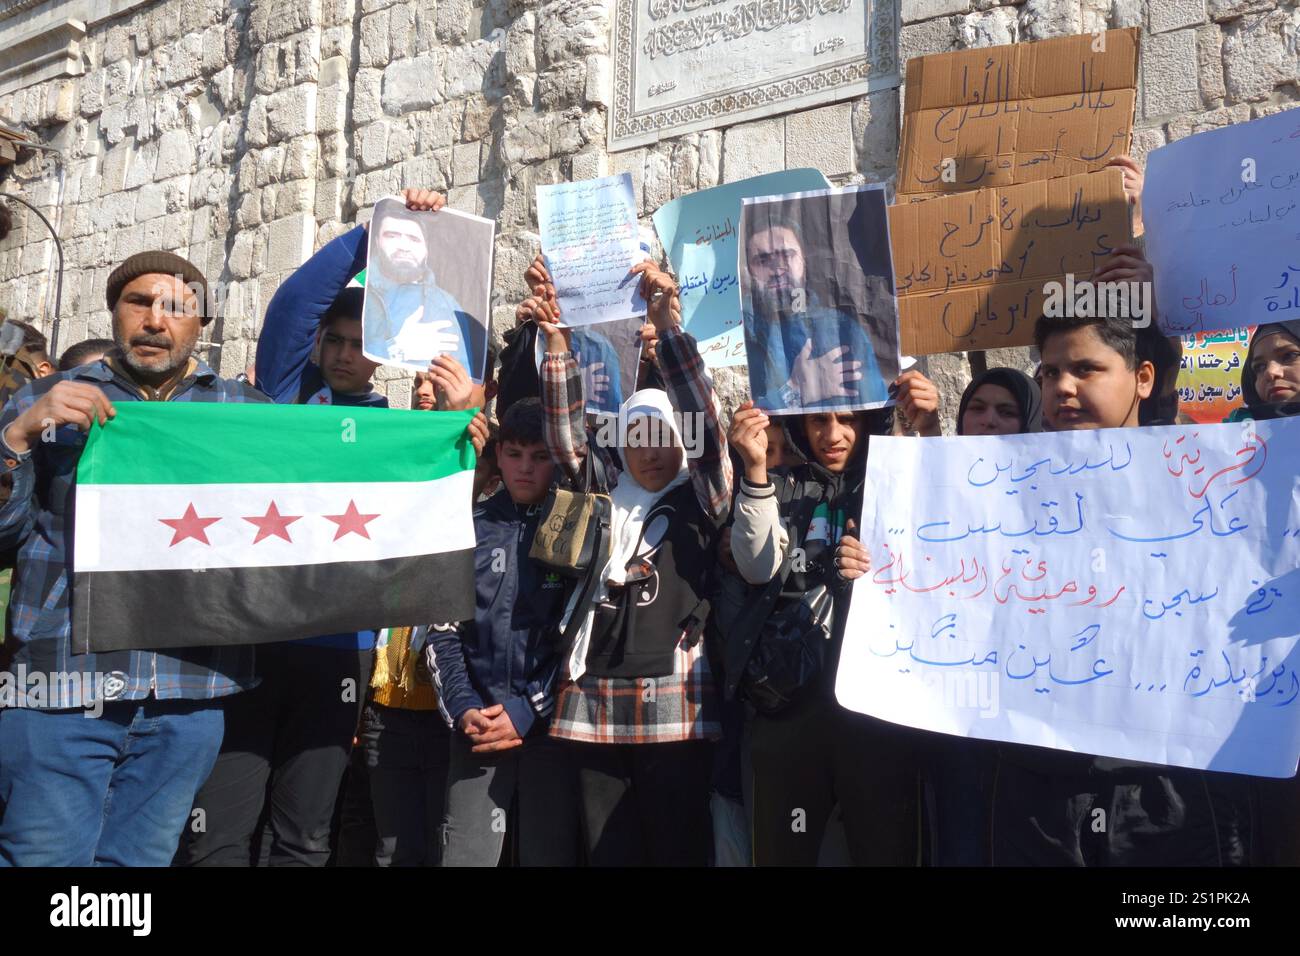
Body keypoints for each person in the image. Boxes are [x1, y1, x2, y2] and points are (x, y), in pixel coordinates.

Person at [177, 188, 486, 867]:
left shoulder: (394, 432)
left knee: (304, 834)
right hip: (253, 639)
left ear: (379, 351)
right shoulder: (283, 401)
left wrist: (462, 412)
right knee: (221, 830)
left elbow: (446, 494)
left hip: (337, 653)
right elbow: (294, 303)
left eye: (358, 344)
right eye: (333, 341)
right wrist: (380, 230)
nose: (344, 355)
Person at [0, 250, 266, 866]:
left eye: (176, 307)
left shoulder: (246, 414)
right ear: (115, 314)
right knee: (40, 860)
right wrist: (16, 439)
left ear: (202, 323)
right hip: (62, 686)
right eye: (138, 302)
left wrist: (444, 433)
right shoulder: (46, 401)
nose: (155, 319)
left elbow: (336, 475)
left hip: (188, 691)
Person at [988, 308, 1256, 865]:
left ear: (1143, 378)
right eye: (1050, 371)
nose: (1063, 386)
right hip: (1043, 792)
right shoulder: (996, 491)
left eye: (1086, 369)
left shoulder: (1212, 484)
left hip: (1166, 793)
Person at [536, 262, 732, 866]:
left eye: (663, 434)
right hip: (594, 692)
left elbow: (701, 416)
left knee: (674, 846)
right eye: (637, 435)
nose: (650, 450)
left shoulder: (705, 495)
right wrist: (559, 344)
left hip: (672, 695)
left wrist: (666, 327)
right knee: (607, 849)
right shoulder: (605, 497)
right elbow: (567, 440)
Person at [725, 400, 920, 865]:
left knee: (884, 848)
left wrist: (920, 431)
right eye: (819, 420)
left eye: (848, 419)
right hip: (790, 708)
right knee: (784, 849)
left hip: (877, 712)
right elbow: (755, 567)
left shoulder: (893, 483)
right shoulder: (781, 484)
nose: (833, 434)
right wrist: (754, 467)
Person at [426, 398, 580, 866]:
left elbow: (580, 638)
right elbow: (441, 632)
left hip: (551, 732)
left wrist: (527, 708)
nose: (526, 468)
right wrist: (465, 707)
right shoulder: (469, 527)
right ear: (499, 456)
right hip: (478, 731)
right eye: (514, 454)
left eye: (538, 456)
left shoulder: (580, 527)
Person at [741, 215, 890, 412]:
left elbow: (877, 409)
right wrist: (794, 389)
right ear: (748, 270)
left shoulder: (843, 328)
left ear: (804, 260)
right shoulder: (741, 339)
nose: (777, 270)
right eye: (763, 260)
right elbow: (740, 423)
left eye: (787, 255)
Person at [362, 203, 479, 376]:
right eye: (392, 236)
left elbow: (463, 375)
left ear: (426, 248)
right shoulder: (357, 292)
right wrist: (397, 348)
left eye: (413, 239)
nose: (404, 246)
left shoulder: (447, 304)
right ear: (377, 242)